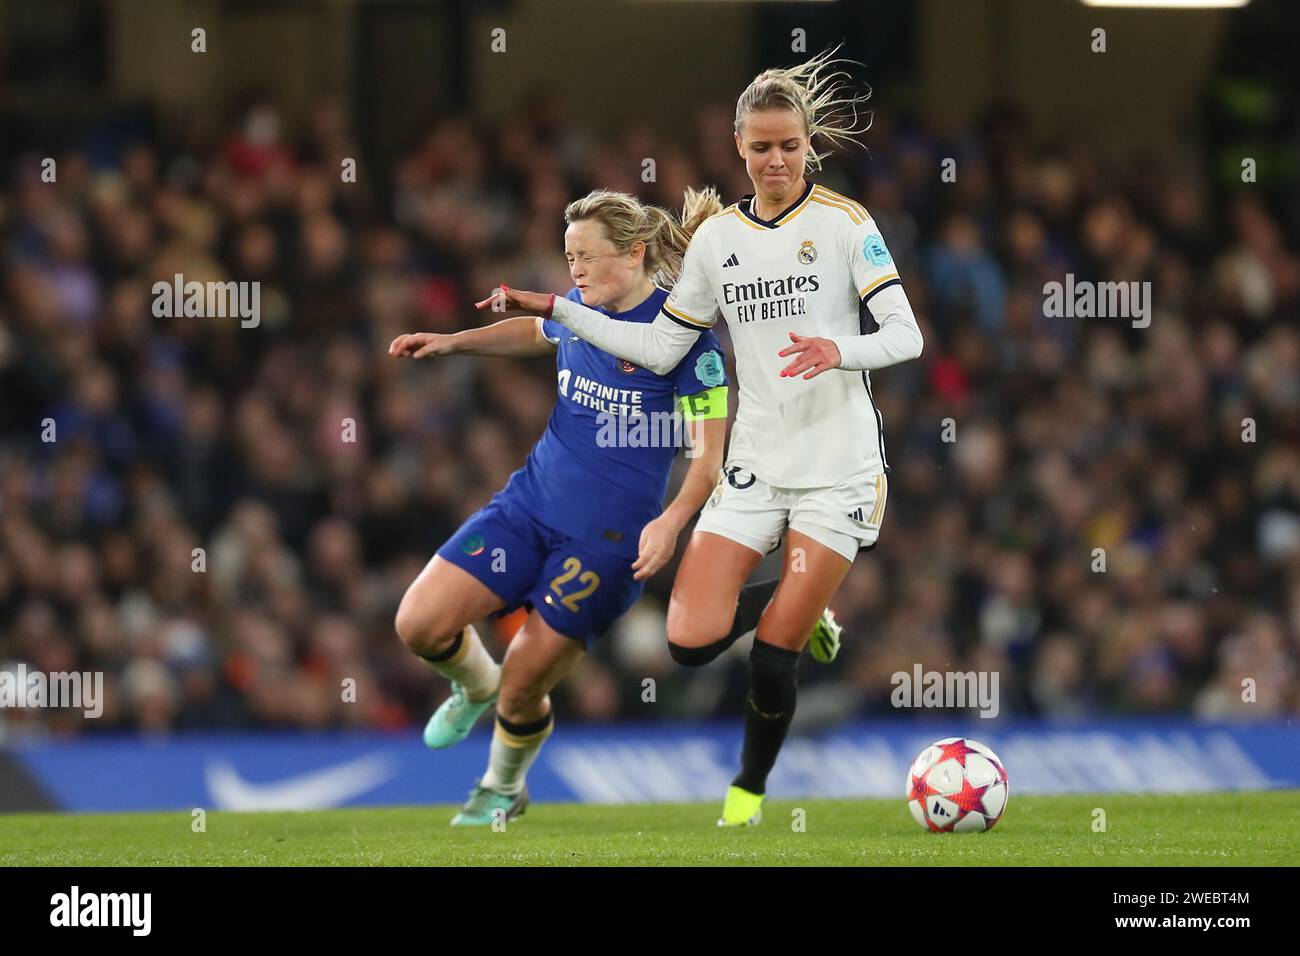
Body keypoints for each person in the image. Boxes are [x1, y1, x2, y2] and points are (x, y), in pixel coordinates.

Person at [477, 49, 923, 826]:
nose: (775, 159)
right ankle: (801, 601)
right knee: (687, 640)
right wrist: (555, 306)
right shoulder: (717, 241)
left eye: (789, 144)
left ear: (808, 144)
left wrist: (836, 350)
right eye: (761, 145)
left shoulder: (847, 224)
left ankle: (747, 792)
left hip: (836, 466)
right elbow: (657, 348)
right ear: (739, 146)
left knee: (776, 654)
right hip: (754, 462)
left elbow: (906, 335)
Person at [390, 187, 734, 825]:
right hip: (527, 507)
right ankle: (473, 684)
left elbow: (707, 461)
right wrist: (452, 341)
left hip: (605, 546)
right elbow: (534, 329)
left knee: (523, 689)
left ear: (632, 255)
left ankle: (500, 785)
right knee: (418, 623)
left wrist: (670, 519)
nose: (573, 272)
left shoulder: (690, 345)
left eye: (585, 257)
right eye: (568, 257)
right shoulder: (579, 308)